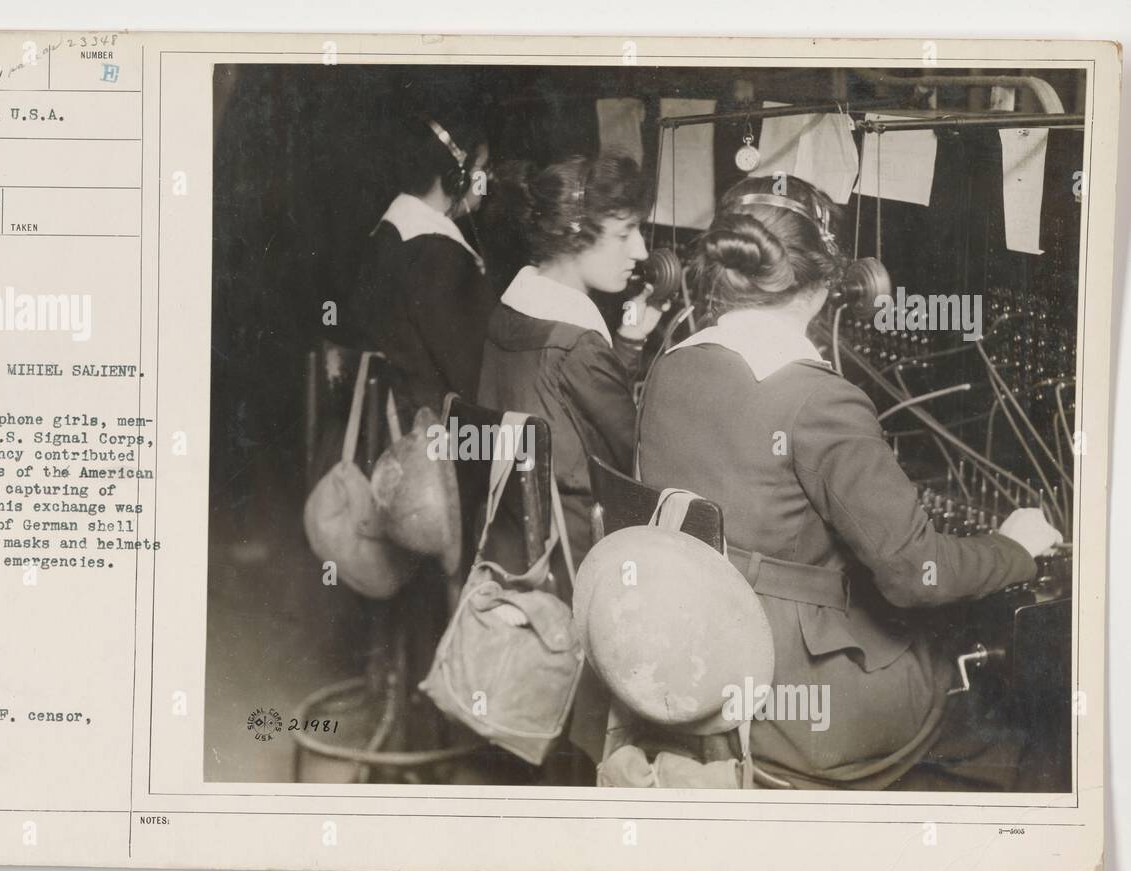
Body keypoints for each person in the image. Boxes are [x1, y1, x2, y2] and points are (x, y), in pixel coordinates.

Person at [635, 174, 1063, 791]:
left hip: (691, 662)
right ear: (828, 284)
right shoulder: (821, 400)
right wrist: (1014, 548)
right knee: (1021, 724)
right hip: (797, 704)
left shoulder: (670, 366)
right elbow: (918, 575)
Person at [475, 150, 666, 774]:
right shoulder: (578, 341)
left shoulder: (511, 311)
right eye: (624, 233)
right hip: (574, 562)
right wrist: (633, 348)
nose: (640, 251)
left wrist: (625, 342)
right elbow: (634, 457)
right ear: (572, 236)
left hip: (512, 547)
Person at [349, 111, 497, 415]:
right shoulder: (440, 256)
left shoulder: (389, 234)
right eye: (483, 168)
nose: (489, 178)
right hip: (438, 437)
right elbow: (476, 379)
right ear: (457, 178)